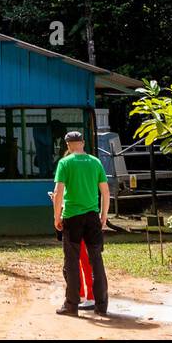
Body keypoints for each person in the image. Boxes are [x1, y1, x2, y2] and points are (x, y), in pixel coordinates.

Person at [53, 130, 110, 316]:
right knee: (96, 260)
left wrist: (57, 217)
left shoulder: (64, 163)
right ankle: (101, 306)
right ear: (83, 143)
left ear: (68, 145)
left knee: (71, 261)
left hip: (72, 216)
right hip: (93, 216)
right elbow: (105, 192)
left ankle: (72, 306)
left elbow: (59, 192)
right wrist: (103, 215)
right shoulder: (96, 162)